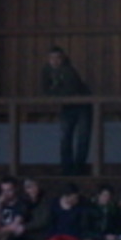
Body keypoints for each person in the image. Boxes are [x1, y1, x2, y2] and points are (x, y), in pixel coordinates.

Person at [43, 45, 92, 175]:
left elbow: (70, 90)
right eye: (52, 58)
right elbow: (45, 89)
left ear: (62, 59)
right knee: (65, 137)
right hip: (67, 106)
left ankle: (79, 167)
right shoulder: (46, 71)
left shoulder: (69, 71)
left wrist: (56, 91)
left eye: (58, 58)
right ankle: (66, 167)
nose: (55, 61)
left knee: (83, 137)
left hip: (82, 106)